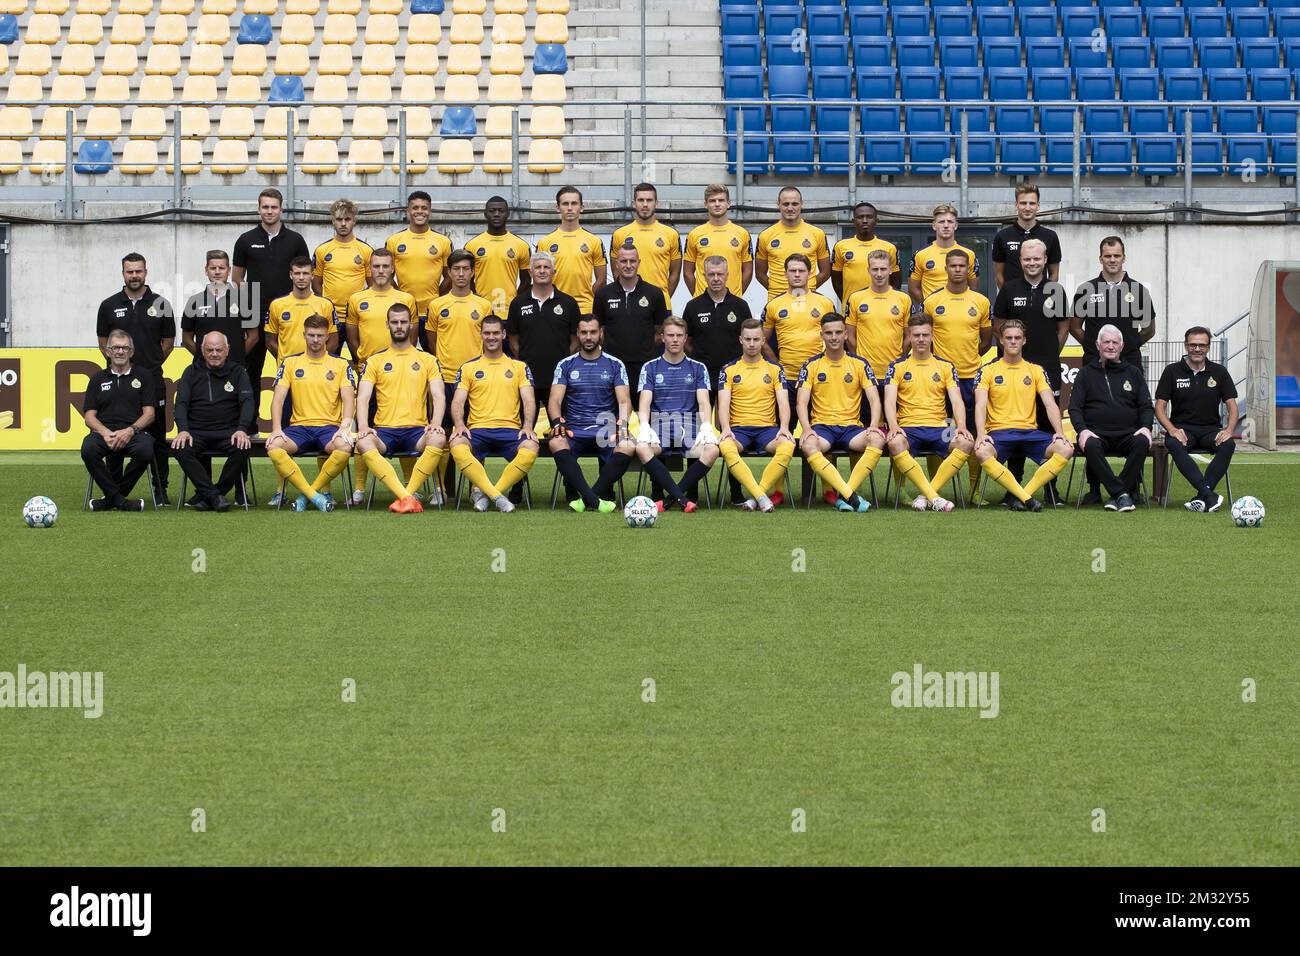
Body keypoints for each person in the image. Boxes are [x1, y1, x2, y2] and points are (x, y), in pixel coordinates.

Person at [1069, 236, 1157, 504]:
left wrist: (1126, 347)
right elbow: (1075, 326)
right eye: (1107, 255)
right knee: (1094, 421)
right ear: (1100, 258)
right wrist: (1097, 348)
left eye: (1116, 255)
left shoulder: (1138, 290)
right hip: (1095, 365)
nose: (1112, 260)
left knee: (1133, 424)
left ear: (1123, 257)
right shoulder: (1087, 289)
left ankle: (1130, 489)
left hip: (1129, 363)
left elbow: (1149, 329)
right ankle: (1095, 490)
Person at [991, 238, 1070, 504]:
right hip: (1015, 369)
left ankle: (1050, 489)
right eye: (1027, 259)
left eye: (1037, 259)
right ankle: (1012, 487)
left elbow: (1063, 328)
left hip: (1048, 367)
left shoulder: (1055, 290)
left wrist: (1048, 354)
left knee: (1049, 426)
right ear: (1020, 261)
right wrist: (1014, 353)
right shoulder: (1010, 289)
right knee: (1017, 424)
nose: (1032, 263)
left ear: (1045, 260)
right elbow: (999, 325)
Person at [96, 252, 175, 504]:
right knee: (115, 433)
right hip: (119, 382)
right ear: (123, 274)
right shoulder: (108, 305)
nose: (134, 276)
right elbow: (102, 343)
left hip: (152, 381)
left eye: (138, 271)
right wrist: (122, 365)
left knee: (158, 440)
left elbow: (169, 343)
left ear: (145, 272)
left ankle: (160, 490)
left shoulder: (161, 303)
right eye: (129, 271)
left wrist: (146, 367)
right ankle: (115, 488)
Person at [354, 304, 447, 514]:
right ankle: (407, 497)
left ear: (411, 325)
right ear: (387, 325)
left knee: (438, 438)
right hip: (385, 431)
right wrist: (362, 426)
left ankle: (406, 495)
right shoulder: (375, 360)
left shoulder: (428, 360)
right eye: (394, 322)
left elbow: (438, 395)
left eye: (403, 322)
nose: (399, 326)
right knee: (363, 440)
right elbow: (363, 397)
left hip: (416, 431)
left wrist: (435, 424)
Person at [972, 320, 1074, 512]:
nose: (1013, 342)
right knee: (981, 451)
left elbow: (1050, 403)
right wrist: (980, 434)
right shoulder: (987, 370)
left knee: (1065, 448)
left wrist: (1059, 431)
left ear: (1024, 341)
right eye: (1008, 338)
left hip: (1029, 433)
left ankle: (1022, 495)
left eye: (1017, 338)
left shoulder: (1035, 370)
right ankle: (1027, 498)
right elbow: (980, 404)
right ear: (1001, 341)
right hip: (999, 433)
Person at [264, 314, 357, 513]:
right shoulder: (290, 363)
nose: (315, 340)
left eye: (320, 336)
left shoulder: (340, 364)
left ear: (327, 338)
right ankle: (314, 495)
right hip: (300, 428)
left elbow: (349, 400)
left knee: (344, 445)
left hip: (329, 428)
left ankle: (307, 495)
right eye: (311, 335)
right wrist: (276, 429)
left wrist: (345, 427)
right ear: (304, 335)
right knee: (273, 445)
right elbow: (278, 398)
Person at [547, 316, 637, 513]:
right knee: (555, 442)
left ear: (601, 334)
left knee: (628, 445)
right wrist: (556, 422)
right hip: (574, 429)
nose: (589, 337)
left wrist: (622, 427)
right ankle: (594, 499)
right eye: (584, 332)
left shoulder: (615, 364)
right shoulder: (566, 364)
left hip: (605, 430)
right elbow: (554, 400)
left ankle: (589, 497)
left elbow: (624, 401)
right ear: (578, 335)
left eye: (593, 332)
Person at [447, 316, 537, 513]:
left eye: (496, 332)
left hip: (510, 430)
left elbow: (529, 400)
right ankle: (497, 496)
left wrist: (528, 426)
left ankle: (488, 494)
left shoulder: (519, 367)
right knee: (456, 443)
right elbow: (458, 401)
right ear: (480, 335)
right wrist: (460, 425)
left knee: (531, 446)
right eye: (487, 333)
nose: (491, 337)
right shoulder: (468, 367)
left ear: (503, 334)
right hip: (477, 430)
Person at [797, 313, 885, 513]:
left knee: (877, 439)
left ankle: (846, 494)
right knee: (808, 444)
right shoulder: (811, 365)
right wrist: (807, 429)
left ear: (846, 334)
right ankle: (851, 496)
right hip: (822, 428)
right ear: (821, 335)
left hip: (851, 429)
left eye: (838, 332)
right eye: (829, 333)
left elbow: (874, 399)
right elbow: (801, 403)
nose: (834, 337)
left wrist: (872, 426)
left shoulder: (859, 364)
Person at [232, 187, 309, 412]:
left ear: (281, 210)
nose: (269, 211)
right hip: (255, 313)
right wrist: (249, 307)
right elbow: (237, 278)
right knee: (251, 370)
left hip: (288, 315)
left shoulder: (295, 240)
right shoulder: (246, 240)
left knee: (292, 368)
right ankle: (248, 425)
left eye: (273, 207)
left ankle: (294, 421)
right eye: (265, 207)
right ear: (258, 210)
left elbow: (304, 273)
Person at [923, 248, 992, 500]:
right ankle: (934, 489)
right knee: (939, 433)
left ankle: (973, 491)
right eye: (953, 266)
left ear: (968, 269)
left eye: (962, 266)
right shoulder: (932, 301)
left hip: (969, 378)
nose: (958, 270)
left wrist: (968, 359)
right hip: (939, 379)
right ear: (946, 268)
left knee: (972, 432)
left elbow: (986, 340)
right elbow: (924, 338)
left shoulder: (981, 301)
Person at [882, 316, 969, 512]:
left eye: (925, 335)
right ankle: (934, 497)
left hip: (940, 427)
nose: (921, 339)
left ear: (932, 337)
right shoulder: (896, 366)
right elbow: (888, 400)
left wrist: (961, 426)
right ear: (909, 338)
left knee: (965, 442)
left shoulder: (946, 366)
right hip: (908, 427)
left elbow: (956, 400)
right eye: (916, 335)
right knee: (894, 442)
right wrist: (894, 426)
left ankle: (927, 494)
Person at [634, 317, 719, 512]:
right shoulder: (650, 367)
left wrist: (706, 425)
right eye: (670, 335)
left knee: (713, 450)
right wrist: (645, 426)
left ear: (685, 338)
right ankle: (676, 497)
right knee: (641, 448)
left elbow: (704, 401)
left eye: (679, 335)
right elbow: (645, 402)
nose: (674, 339)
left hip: (689, 427)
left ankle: (672, 498)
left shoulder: (698, 367)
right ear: (662, 337)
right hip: (659, 426)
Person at [1068, 325, 1154, 512]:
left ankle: (1118, 494)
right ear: (1098, 345)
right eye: (1106, 342)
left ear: (1122, 346)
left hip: (1128, 434)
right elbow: (1074, 408)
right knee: (1090, 444)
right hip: (1096, 434)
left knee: (1142, 442)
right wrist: (1082, 430)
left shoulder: (1133, 373)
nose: (1111, 346)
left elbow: (1146, 406)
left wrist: (1146, 427)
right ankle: (1123, 494)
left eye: (1115, 342)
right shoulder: (1085, 373)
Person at [1155, 326, 1239, 512]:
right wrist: (1172, 429)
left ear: (1208, 348)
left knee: (1228, 445)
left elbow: (1232, 407)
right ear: (1186, 346)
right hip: (1182, 430)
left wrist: (1229, 431)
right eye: (1193, 345)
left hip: (1211, 430)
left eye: (1202, 345)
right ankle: (1208, 494)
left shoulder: (1219, 372)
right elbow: (1160, 408)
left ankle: (1203, 496)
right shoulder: (1172, 371)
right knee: (1174, 444)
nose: (1197, 349)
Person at [170, 332, 255, 512]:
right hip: (196, 432)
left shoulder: (238, 372)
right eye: (209, 350)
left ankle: (211, 495)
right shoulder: (191, 372)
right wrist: (183, 429)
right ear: (202, 350)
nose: (214, 354)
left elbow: (247, 403)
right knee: (180, 447)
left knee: (243, 447)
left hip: (228, 432)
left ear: (227, 350)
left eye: (218, 350)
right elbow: (181, 403)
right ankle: (215, 497)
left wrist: (242, 429)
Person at [717, 319, 796, 512]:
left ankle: (755, 498)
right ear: (740, 340)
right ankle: (761, 496)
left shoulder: (775, 369)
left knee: (788, 444)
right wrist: (725, 428)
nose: (752, 344)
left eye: (756, 339)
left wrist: (784, 427)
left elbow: (784, 403)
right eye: (748, 339)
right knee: (726, 446)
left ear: (763, 341)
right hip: (738, 431)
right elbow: (723, 404)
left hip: (767, 430)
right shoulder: (728, 370)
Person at [81, 329, 157, 512]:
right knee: (88, 449)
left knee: (146, 451)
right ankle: (120, 501)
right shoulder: (97, 379)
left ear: (132, 352)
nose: (120, 352)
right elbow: (89, 417)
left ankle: (111, 499)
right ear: (108, 351)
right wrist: (106, 433)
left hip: (134, 432)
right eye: (115, 348)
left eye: (124, 348)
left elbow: (150, 414)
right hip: (104, 433)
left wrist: (130, 431)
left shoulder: (144, 376)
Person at [506, 251, 581, 416]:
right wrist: (526, 360)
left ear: (554, 272)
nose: (542, 271)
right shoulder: (518, 303)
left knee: (560, 429)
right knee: (525, 431)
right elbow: (513, 339)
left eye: (546, 267)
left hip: (559, 379)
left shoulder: (568, 303)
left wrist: (563, 361)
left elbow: (575, 340)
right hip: (528, 378)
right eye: (537, 267)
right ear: (530, 272)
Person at [592, 244, 669, 394]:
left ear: (639, 263)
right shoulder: (603, 294)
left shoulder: (655, 294)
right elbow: (600, 330)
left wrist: (643, 348)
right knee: (615, 414)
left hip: (645, 367)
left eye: (632, 261)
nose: (628, 265)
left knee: (645, 414)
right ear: (616, 264)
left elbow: (660, 332)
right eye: (623, 261)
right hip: (612, 366)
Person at [762, 253, 837, 403]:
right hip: (786, 378)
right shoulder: (773, 305)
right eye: (792, 271)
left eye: (801, 271)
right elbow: (761, 341)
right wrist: (777, 365)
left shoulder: (825, 303)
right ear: (785, 274)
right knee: (784, 425)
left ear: (809, 273)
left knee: (816, 426)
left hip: (817, 377)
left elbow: (837, 338)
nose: (797, 275)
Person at [311, 197, 373, 360]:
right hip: (332, 319)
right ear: (333, 220)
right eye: (339, 219)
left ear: (354, 220)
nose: (343, 224)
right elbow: (316, 283)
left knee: (363, 363)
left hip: (357, 318)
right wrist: (327, 306)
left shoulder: (365, 250)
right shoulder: (322, 250)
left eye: (347, 219)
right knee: (328, 363)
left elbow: (372, 285)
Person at [385, 189, 453, 329]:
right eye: (415, 208)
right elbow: (386, 275)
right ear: (408, 211)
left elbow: (449, 276)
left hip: (432, 310)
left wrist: (437, 297)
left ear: (430, 211)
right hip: (403, 313)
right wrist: (399, 295)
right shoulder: (394, 241)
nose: (420, 211)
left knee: (434, 350)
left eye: (424, 208)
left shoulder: (443, 241)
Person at [536, 185, 607, 316]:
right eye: (565, 204)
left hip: (585, 308)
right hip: (554, 306)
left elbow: (601, 280)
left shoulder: (594, 241)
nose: (569, 208)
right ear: (558, 208)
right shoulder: (545, 242)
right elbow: (538, 278)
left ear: (582, 207)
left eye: (574, 203)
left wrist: (589, 296)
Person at [845, 249, 913, 385]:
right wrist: (859, 362)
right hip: (865, 372)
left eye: (883, 269)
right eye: (875, 269)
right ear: (868, 270)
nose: (879, 274)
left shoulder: (904, 299)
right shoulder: (855, 298)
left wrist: (900, 361)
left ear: (891, 270)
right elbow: (850, 336)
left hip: (894, 372)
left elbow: (909, 336)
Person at [611, 182, 682, 308]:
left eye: (649, 200)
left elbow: (675, 273)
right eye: (641, 200)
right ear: (634, 204)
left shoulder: (671, 234)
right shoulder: (619, 234)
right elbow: (616, 271)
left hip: (660, 304)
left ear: (656, 203)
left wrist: (662, 297)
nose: (645, 204)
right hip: (629, 303)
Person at [755, 185, 831, 301]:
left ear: (802, 204)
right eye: (786, 204)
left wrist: (808, 288)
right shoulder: (766, 235)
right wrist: (778, 290)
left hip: (807, 299)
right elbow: (760, 274)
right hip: (776, 299)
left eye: (794, 204)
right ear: (778, 205)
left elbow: (825, 272)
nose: (790, 208)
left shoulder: (817, 234)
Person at [182, 250, 254, 365]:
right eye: (212, 268)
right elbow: (186, 339)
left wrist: (236, 357)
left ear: (229, 270)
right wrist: (206, 357)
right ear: (206, 270)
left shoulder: (244, 300)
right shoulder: (194, 301)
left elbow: (253, 337)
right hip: (203, 370)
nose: (217, 272)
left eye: (221, 268)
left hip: (234, 369)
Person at [682, 183, 753, 298]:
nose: (717, 204)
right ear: (706, 204)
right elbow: (687, 273)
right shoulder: (694, 234)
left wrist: (734, 296)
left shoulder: (742, 233)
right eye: (712, 201)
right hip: (703, 302)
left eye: (721, 200)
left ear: (728, 203)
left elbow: (748, 272)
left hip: (732, 302)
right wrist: (699, 297)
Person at [465, 196, 531, 317]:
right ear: (485, 214)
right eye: (492, 211)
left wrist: (516, 302)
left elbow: (526, 280)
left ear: (508, 214)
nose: (496, 214)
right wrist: (475, 298)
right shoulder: (472, 245)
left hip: (509, 312)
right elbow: (466, 279)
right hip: (480, 311)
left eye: (501, 211)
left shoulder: (521, 245)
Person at [991, 183, 1062, 289]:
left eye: (1032, 203)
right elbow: (998, 276)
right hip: (1012, 302)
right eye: (1023, 203)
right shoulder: (1002, 236)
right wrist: (1009, 297)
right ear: (1016, 205)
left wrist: (1043, 296)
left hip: (1041, 301)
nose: (1027, 208)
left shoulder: (1050, 236)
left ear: (1038, 206)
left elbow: (1054, 275)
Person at [266, 256, 337, 360]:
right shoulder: (277, 305)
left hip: (317, 370)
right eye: (297, 273)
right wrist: (287, 362)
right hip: (287, 372)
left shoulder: (325, 304)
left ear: (312, 275)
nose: (301, 278)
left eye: (305, 273)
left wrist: (318, 360)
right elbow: (270, 341)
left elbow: (333, 341)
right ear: (291, 275)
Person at [909, 203, 980, 304]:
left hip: (961, 310)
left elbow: (974, 287)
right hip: (932, 316)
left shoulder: (969, 254)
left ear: (955, 226)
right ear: (934, 225)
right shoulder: (920, 254)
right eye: (941, 222)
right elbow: (913, 289)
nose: (946, 226)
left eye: (950, 222)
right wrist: (928, 307)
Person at [832, 201, 900, 305]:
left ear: (876, 220)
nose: (864, 221)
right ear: (853, 221)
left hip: (881, 307)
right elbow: (836, 281)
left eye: (869, 217)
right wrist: (849, 302)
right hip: (852, 309)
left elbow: (896, 282)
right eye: (860, 217)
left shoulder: (889, 248)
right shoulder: (840, 246)